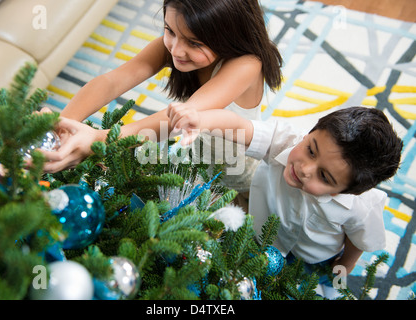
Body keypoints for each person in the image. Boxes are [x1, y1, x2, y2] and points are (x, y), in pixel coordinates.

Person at [42, 0, 283, 198]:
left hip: (236, 181)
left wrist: (96, 140)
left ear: (229, 37)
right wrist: (62, 124)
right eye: (169, 30)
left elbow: (181, 119)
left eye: (194, 43)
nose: (176, 50)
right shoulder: (176, 44)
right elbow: (113, 81)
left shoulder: (247, 65)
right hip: (190, 161)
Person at [167, 105, 403, 285]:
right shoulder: (285, 141)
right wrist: (201, 119)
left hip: (311, 260)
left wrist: (345, 264)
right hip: (257, 232)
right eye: (310, 150)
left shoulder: (360, 205)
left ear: (345, 190)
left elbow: (358, 238)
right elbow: (240, 126)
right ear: (309, 133)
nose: (304, 168)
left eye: (324, 177)